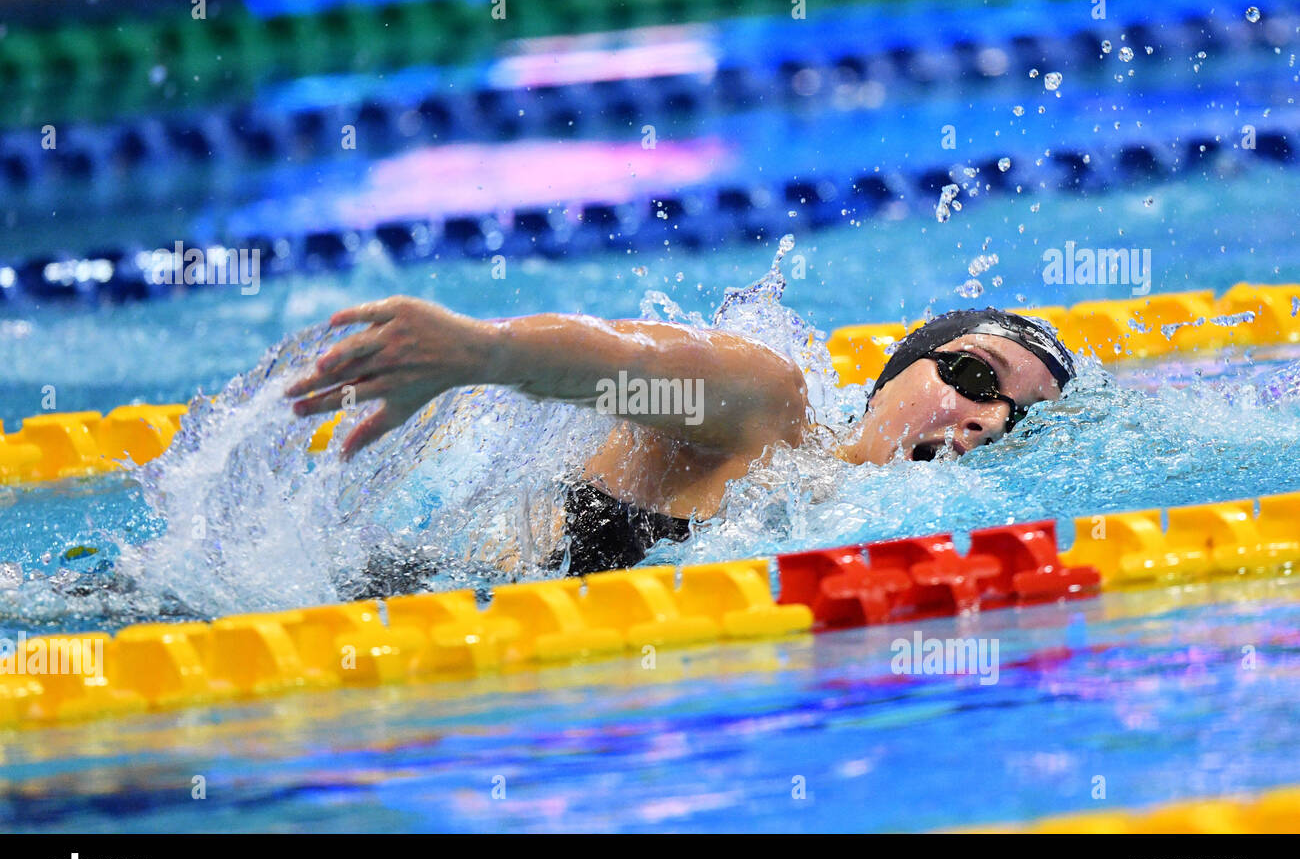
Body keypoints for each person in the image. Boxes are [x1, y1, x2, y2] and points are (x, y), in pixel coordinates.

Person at [286, 297, 1076, 576]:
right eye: (975, 377)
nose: (990, 417)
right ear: (892, 376)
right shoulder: (768, 413)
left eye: (1019, 414)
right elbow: (631, 365)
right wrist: (480, 353)